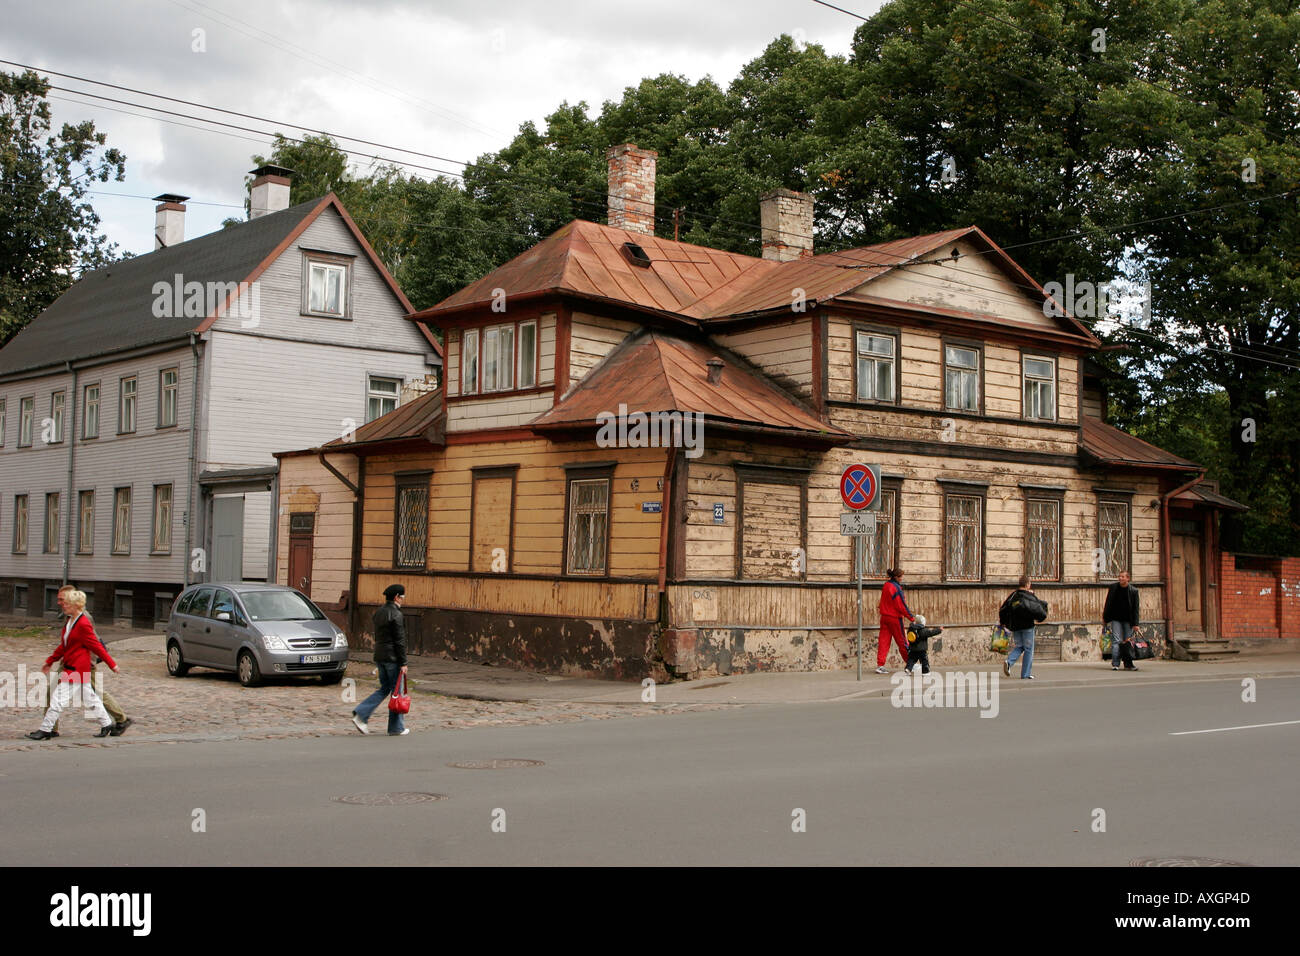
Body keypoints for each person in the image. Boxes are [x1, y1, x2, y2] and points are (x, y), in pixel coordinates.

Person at [26, 589, 119, 740]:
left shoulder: (83, 623)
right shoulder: (70, 621)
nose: (63, 606)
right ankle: (107, 723)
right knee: (90, 698)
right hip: (73, 667)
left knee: (57, 699)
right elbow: (63, 646)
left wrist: (112, 664)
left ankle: (45, 729)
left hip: (77, 669)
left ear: (76, 605)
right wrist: (50, 661)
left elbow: (96, 646)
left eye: (67, 603)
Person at [44, 585, 133, 737]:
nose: (59, 603)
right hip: (70, 662)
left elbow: (93, 642)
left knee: (95, 694)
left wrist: (101, 663)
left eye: (62, 599)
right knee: (57, 693)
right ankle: (51, 729)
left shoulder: (83, 618)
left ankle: (121, 719)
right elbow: (66, 643)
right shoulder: (70, 616)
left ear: (72, 599)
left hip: (82, 664)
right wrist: (52, 660)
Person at [352, 584, 409, 736]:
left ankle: (361, 714)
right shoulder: (396, 614)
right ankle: (395, 727)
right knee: (397, 692)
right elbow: (399, 641)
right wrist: (403, 662)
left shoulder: (379, 612)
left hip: (380, 655)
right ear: (397, 597)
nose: (403, 600)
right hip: (393, 658)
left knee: (385, 688)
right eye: (402, 597)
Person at [1001, 575, 1048, 679]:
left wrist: (1003, 622)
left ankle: (1009, 662)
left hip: (1015, 626)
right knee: (1028, 649)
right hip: (1027, 626)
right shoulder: (1029, 596)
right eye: (1029, 583)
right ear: (1027, 584)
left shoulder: (1014, 595)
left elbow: (1003, 608)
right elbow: (1037, 608)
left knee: (1020, 646)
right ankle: (1025, 674)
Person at [877, 568, 915, 674]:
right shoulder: (896, 588)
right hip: (894, 618)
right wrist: (911, 618)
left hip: (884, 617)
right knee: (902, 641)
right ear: (896, 577)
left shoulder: (886, 585)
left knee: (883, 641)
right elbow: (901, 605)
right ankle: (910, 663)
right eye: (901, 577)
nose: (902, 579)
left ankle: (880, 665)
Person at [1103, 570, 1141, 671]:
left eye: (1123, 577)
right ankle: (1115, 664)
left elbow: (1136, 609)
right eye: (1119, 576)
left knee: (1127, 642)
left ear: (1128, 578)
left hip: (1128, 620)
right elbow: (1108, 604)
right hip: (1116, 619)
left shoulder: (1133, 591)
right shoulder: (1113, 588)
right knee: (1116, 641)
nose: (1120, 578)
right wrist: (1105, 618)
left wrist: (1136, 624)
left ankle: (1128, 664)